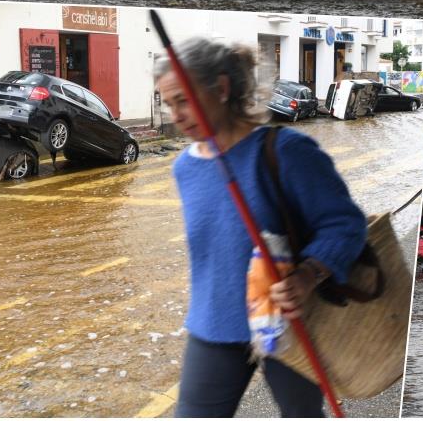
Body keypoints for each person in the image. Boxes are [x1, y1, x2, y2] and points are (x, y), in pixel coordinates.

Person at [155, 37, 367, 418]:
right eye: (167, 103)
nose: (175, 116)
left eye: (183, 100)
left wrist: (308, 274)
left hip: (292, 322)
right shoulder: (184, 167)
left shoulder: (285, 151)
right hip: (214, 323)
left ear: (220, 89)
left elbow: (345, 225)